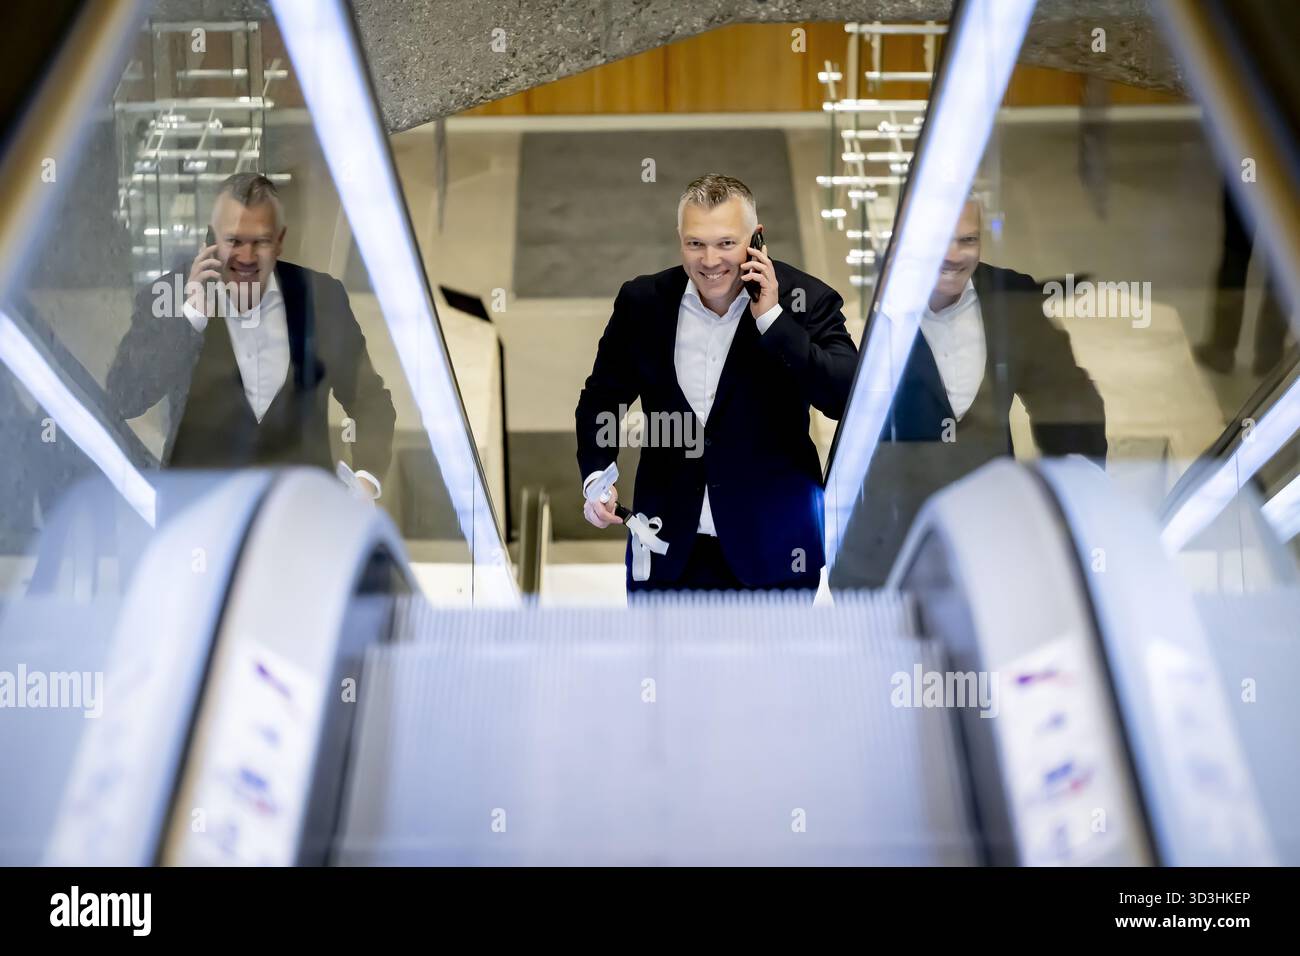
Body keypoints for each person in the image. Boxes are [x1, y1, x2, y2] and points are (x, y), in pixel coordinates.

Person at [575, 173, 858, 594]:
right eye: (696, 244)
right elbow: (601, 399)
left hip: (775, 556)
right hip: (665, 553)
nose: (710, 261)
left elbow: (844, 399)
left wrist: (773, 322)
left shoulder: (807, 300)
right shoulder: (643, 302)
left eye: (726, 243)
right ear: (679, 239)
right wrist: (597, 474)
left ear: (756, 238)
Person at [830, 196, 1108, 589]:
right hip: (890, 545)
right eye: (939, 240)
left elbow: (1067, 401)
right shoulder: (884, 311)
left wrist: (1077, 497)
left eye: (967, 240)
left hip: (989, 535)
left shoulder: (1011, 300)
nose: (953, 255)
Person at [108, 173, 395, 497]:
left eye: (259, 242)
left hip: (295, 513)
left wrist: (365, 482)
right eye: (233, 241)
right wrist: (190, 321)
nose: (246, 257)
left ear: (279, 241)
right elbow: (125, 397)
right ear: (211, 242)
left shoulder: (322, 297)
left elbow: (370, 400)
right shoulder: (166, 296)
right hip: (197, 516)